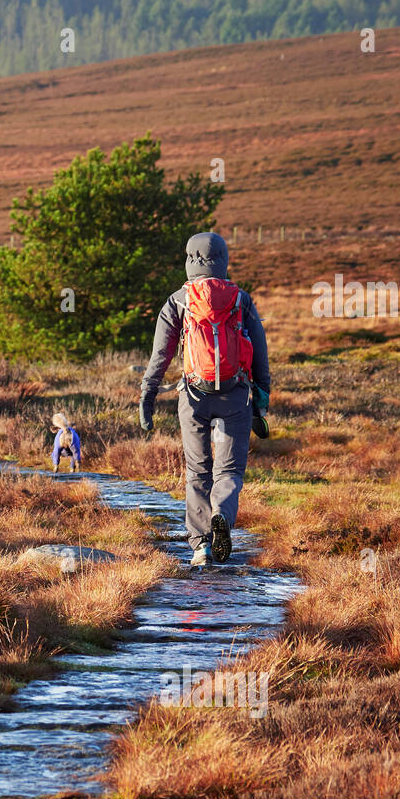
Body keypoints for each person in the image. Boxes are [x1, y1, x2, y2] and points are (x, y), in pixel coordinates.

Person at [138, 232, 270, 568]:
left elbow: (161, 355)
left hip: (194, 397)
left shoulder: (178, 301)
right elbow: (260, 355)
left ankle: (200, 547)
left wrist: (147, 395)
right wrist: (261, 400)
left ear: (190, 259)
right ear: (224, 260)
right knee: (229, 470)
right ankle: (221, 515)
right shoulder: (241, 299)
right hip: (235, 397)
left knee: (198, 471)